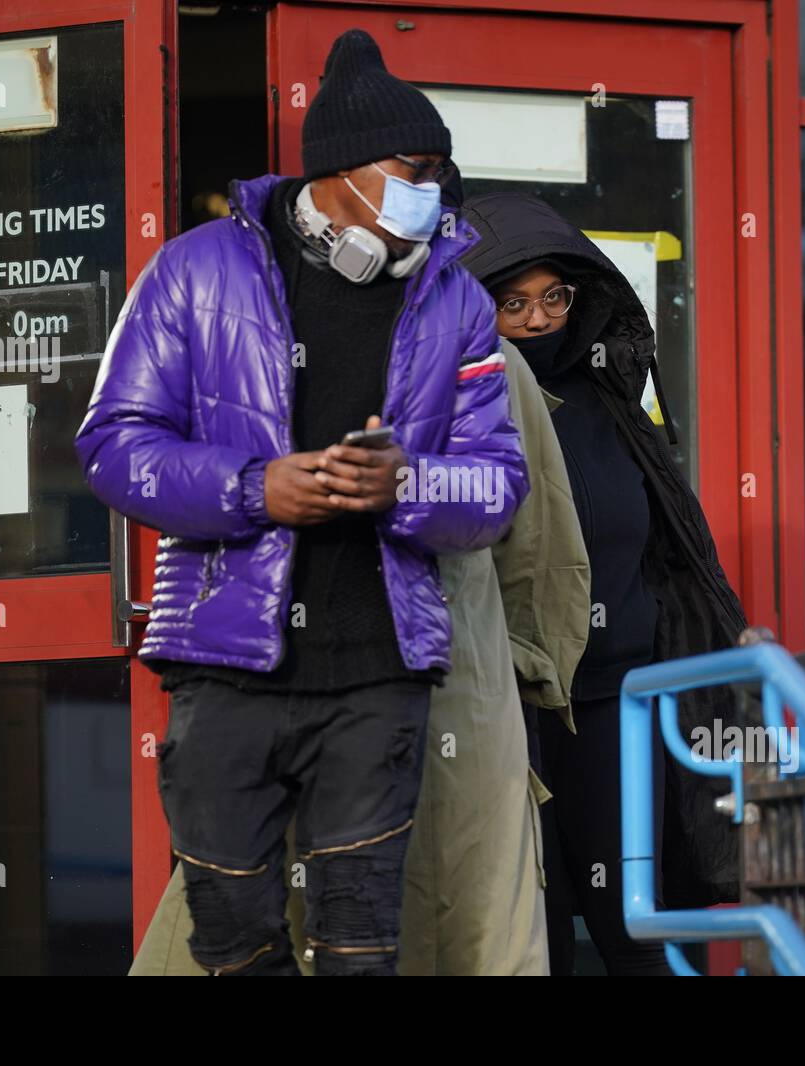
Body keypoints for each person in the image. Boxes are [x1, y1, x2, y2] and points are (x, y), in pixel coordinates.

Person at [75, 29, 527, 976]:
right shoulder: (197, 271)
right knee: (232, 938)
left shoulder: (457, 301)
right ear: (341, 169)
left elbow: (497, 487)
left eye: (443, 172)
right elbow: (114, 444)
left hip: (379, 673)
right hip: (224, 661)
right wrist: (254, 489)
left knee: (362, 946)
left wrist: (406, 484)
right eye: (414, 167)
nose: (432, 192)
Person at [128, 345, 592, 976]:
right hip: (296, 686)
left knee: (455, 909)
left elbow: (537, 547)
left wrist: (507, 674)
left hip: (448, 700)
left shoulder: (484, 358)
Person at [458, 192, 748, 976]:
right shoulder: (459, 411)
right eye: (512, 303)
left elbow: (676, 553)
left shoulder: (616, 405)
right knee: (528, 927)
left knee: (638, 925)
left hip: (620, 700)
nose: (539, 318)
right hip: (510, 708)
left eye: (555, 297)